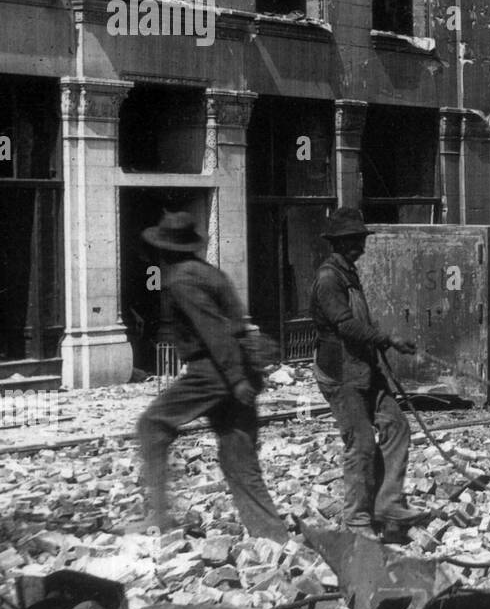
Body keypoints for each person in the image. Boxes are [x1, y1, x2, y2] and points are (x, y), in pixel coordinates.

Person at [133, 212, 288, 541]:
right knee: (239, 459)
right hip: (237, 368)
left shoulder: (180, 279)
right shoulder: (209, 272)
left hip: (214, 371)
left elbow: (213, 328)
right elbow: (233, 324)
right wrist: (242, 376)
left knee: (152, 425)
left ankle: (160, 517)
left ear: (164, 250)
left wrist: (234, 378)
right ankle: (272, 536)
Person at [310, 208, 418, 539]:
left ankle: (387, 505)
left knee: (397, 426)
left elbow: (358, 324)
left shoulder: (348, 273)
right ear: (339, 243)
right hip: (341, 374)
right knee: (361, 445)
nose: (361, 246)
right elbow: (345, 325)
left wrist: (378, 350)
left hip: (363, 368)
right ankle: (356, 521)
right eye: (355, 241)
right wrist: (387, 339)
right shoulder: (329, 279)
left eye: (361, 240)